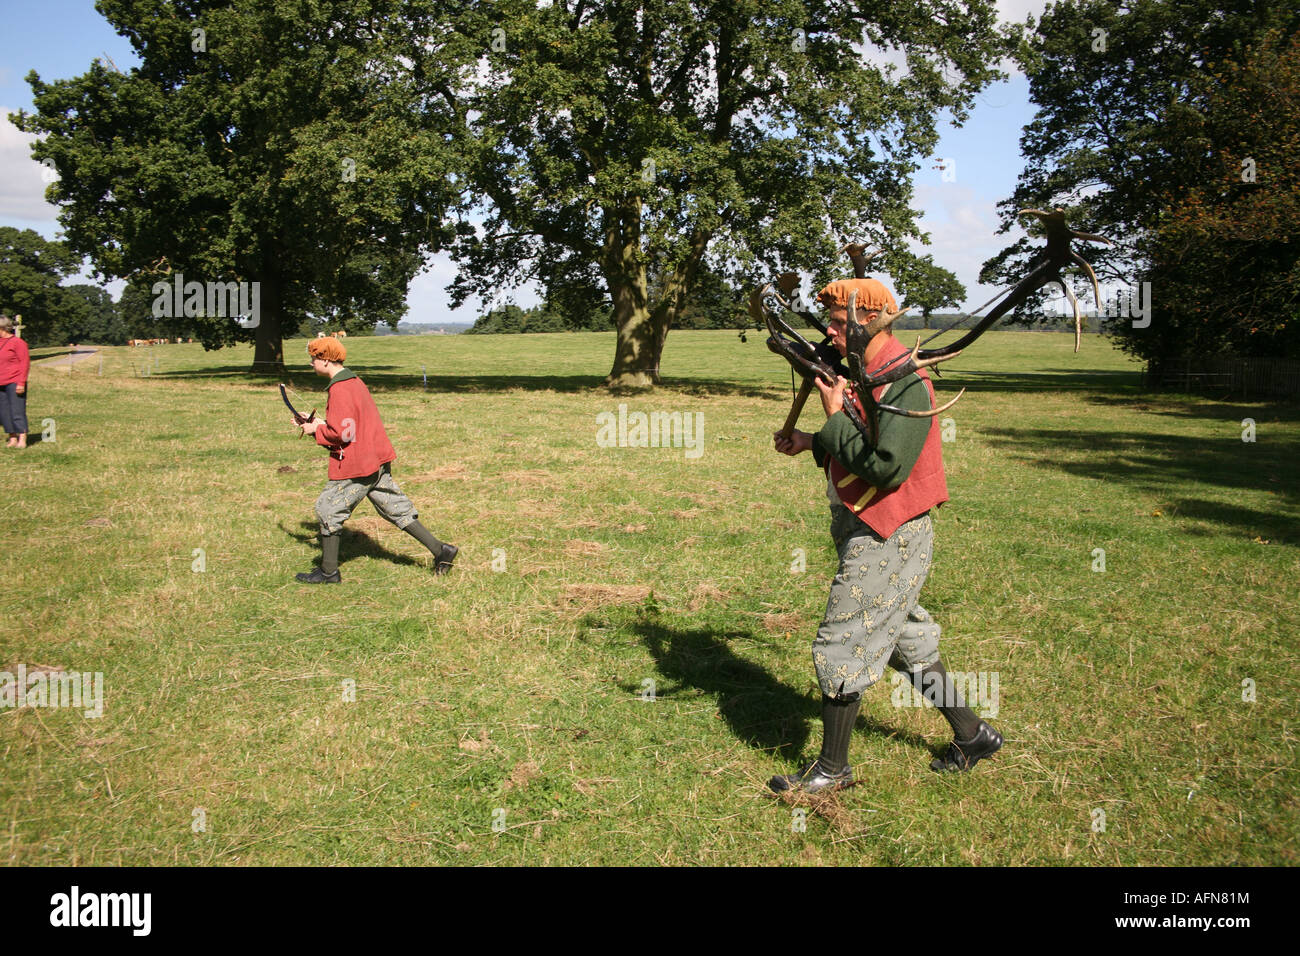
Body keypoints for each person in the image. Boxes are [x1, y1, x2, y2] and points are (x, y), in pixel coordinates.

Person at [769, 277, 1002, 792]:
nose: (828, 333)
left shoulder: (905, 381)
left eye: (835, 322)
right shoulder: (865, 371)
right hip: (865, 524)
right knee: (905, 638)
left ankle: (833, 771)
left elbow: (887, 468)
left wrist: (831, 418)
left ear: (870, 321)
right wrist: (814, 440)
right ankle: (973, 734)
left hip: (888, 531)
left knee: (842, 642)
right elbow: (860, 442)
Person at [292, 336, 457, 583]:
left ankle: (328, 573)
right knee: (394, 507)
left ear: (325, 360)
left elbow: (344, 434)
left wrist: (315, 430)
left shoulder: (340, 388)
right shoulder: (353, 380)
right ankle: (442, 551)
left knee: (327, 509)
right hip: (375, 458)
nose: (311, 363)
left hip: (358, 464)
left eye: (313, 359)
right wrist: (319, 423)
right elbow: (349, 424)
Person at [0, 316, 30, 449]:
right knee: (4, 412)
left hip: (14, 381)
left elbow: (24, 363)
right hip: (1, 382)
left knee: (17, 411)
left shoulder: (18, 343)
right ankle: (12, 437)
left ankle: (22, 438)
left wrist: (21, 383)